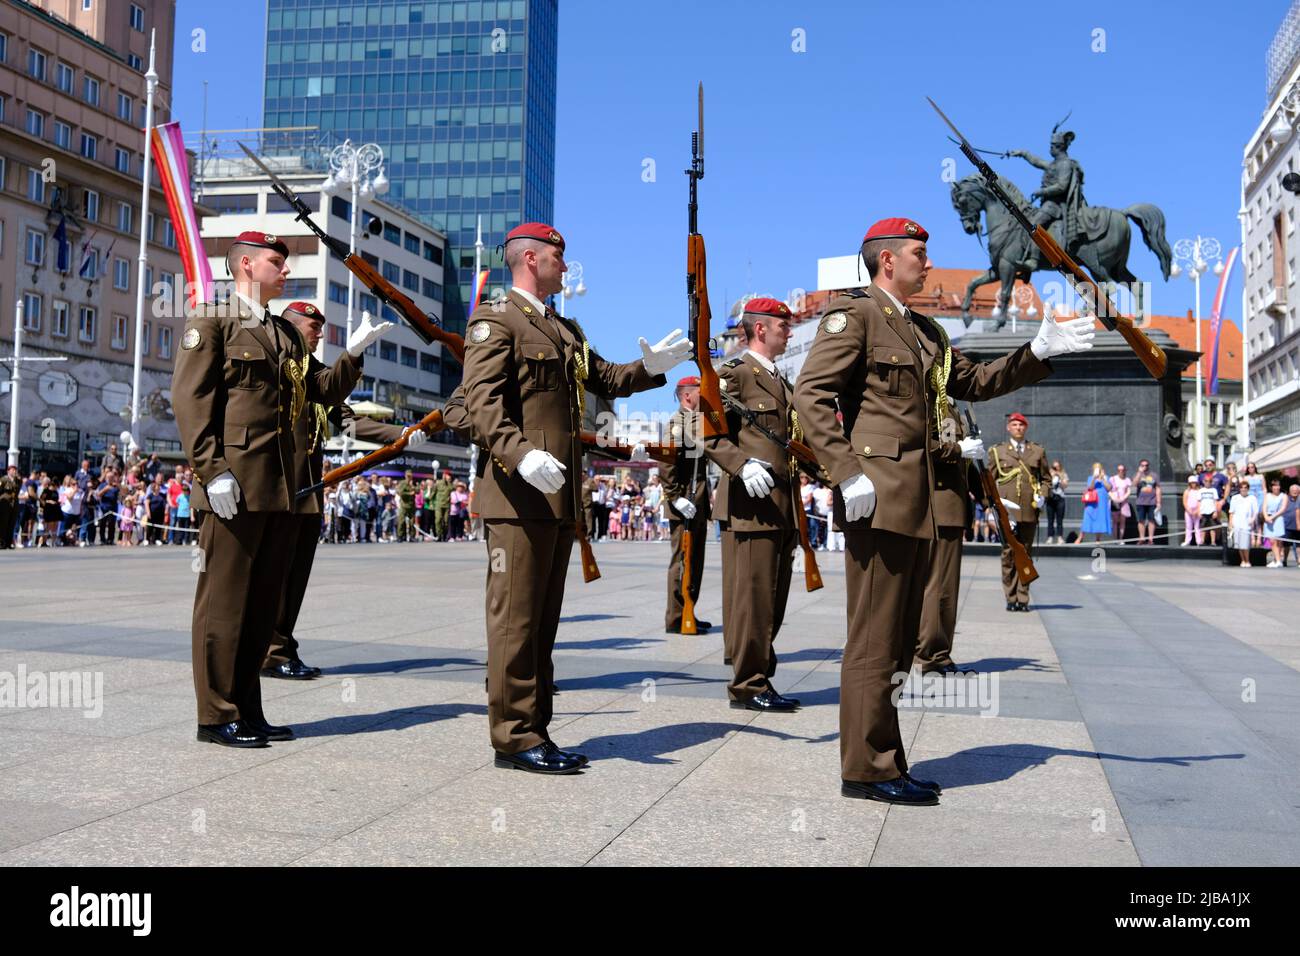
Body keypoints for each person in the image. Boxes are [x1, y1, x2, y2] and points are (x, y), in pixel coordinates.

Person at [793, 216, 1093, 805]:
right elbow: (811, 394)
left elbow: (973, 383)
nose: (927, 264)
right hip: (876, 498)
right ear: (886, 261)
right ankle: (866, 768)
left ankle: (885, 758)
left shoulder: (925, 331)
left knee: (899, 641)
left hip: (917, 502)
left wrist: (1034, 351)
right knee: (875, 640)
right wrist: (846, 470)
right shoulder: (854, 316)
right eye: (918, 254)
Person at [456, 221, 689, 774]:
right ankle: (513, 737)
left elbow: (604, 376)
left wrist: (650, 369)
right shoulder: (496, 321)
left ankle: (535, 728)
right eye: (560, 257)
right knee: (515, 619)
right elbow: (482, 403)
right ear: (531, 259)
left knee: (541, 621)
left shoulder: (564, 328)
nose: (567, 266)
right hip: (517, 495)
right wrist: (518, 452)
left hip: (557, 498)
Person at [172, 230, 386, 748]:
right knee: (224, 604)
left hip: (280, 488)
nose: (285, 270)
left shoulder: (285, 335)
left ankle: (247, 708)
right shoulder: (214, 319)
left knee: (262, 605)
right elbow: (190, 400)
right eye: (276, 261)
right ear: (246, 265)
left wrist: (353, 355)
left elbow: (321, 391)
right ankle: (215, 713)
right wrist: (211, 469)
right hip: (233, 484)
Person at [261, 301, 417, 679]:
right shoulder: (283, 369)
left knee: (296, 576)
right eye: (313, 328)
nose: (319, 335)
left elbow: (349, 423)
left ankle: (283, 645)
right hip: (282, 488)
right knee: (276, 575)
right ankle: (271, 650)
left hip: (312, 490)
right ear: (293, 327)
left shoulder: (312, 373)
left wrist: (401, 435)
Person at [702, 298, 805, 708]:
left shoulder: (783, 382)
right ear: (760, 329)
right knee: (753, 600)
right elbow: (705, 428)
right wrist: (740, 465)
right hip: (749, 505)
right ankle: (748, 685)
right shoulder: (736, 374)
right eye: (784, 326)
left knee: (773, 600)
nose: (790, 332)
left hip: (781, 504)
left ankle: (762, 674)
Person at [917, 402, 985, 672]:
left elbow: (966, 467)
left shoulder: (957, 410)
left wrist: (987, 498)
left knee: (945, 588)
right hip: (940, 507)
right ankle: (931, 654)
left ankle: (936, 651)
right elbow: (929, 448)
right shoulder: (938, 405)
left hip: (953, 507)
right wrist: (958, 448)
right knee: (938, 587)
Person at [662, 377, 713, 634]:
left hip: (698, 501)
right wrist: (675, 497)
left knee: (695, 559)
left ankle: (689, 609)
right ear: (687, 396)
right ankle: (675, 617)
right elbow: (666, 464)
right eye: (700, 393)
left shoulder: (697, 421)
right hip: (684, 501)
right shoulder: (676, 424)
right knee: (682, 560)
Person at [988, 412, 1049, 610]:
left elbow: (1046, 478)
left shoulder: (1037, 451)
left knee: (1026, 555)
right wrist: (992, 508)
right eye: (1014, 424)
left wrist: (1043, 496)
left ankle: (1023, 599)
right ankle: (1010, 597)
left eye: (1021, 425)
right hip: (1008, 512)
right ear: (1008, 428)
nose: (1018, 428)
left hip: (1029, 511)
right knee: (1008, 554)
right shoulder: (998, 452)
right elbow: (989, 480)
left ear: (1026, 428)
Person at [1228, 478, 1259, 567]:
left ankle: (1247, 560)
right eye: (1242, 487)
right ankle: (1243, 560)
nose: (1243, 489)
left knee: (1245, 544)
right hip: (1237, 523)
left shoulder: (1252, 498)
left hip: (1246, 524)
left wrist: (1252, 520)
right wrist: (1231, 523)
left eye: (1245, 487)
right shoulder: (1235, 498)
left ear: (1248, 489)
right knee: (1238, 544)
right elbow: (1231, 512)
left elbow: (1256, 511)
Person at [1132, 459, 1161, 545]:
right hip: (1140, 502)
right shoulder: (1138, 475)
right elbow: (1134, 484)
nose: (1145, 467)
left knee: (1151, 520)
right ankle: (1142, 538)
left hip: (1152, 501)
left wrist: (1159, 502)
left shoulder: (1154, 475)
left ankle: (1151, 539)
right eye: (1143, 465)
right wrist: (1139, 473)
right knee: (1141, 520)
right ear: (1140, 466)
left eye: (1146, 465)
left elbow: (1158, 488)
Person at [1080, 463, 1110, 542]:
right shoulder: (1090, 478)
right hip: (1092, 500)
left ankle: (1098, 538)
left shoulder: (1106, 477)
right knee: (1087, 517)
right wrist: (1094, 478)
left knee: (1100, 518)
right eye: (1095, 468)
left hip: (1102, 501)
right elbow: (1090, 488)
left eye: (1099, 468)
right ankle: (1081, 537)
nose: (1097, 470)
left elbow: (1109, 488)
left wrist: (1103, 478)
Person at [1263, 478, 1287, 567]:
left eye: (1277, 485)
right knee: (1272, 540)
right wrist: (1266, 517)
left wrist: (1273, 517)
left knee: (1279, 541)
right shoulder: (1267, 495)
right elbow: (1264, 507)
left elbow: (1283, 509)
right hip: (1268, 519)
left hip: (1278, 518)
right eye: (1274, 485)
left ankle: (1278, 560)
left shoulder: (1283, 496)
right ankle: (1277, 560)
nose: (1276, 487)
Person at [1045, 460, 1069, 544]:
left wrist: (1060, 476)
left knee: (1060, 519)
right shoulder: (1049, 475)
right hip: (1051, 498)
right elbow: (1046, 485)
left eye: (1057, 467)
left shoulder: (1063, 474)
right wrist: (1051, 476)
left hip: (1060, 498)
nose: (1055, 469)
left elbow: (1065, 485)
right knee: (1050, 519)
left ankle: (1060, 537)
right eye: (1053, 467)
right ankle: (1050, 537)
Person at [1243, 461, 1265, 548]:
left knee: (1258, 519)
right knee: (1251, 518)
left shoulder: (1260, 476)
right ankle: (1252, 538)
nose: (1251, 469)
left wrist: (1265, 500)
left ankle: (1259, 538)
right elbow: (1244, 489)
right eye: (1249, 467)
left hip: (1260, 498)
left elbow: (1264, 488)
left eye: (1252, 467)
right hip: (1250, 498)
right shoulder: (1246, 477)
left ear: (1255, 468)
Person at [1197, 471, 1220, 546]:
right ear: (1203, 481)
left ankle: (1213, 541)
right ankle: (1202, 541)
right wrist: (1199, 511)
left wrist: (1215, 511)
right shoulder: (1200, 491)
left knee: (1212, 527)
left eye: (1209, 481)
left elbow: (1216, 501)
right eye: (1206, 481)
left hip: (1211, 511)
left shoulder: (1213, 490)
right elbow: (1199, 502)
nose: (1208, 482)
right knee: (1203, 527)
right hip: (1203, 511)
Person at [1281, 483, 1300, 567]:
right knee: (1286, 545)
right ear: (1289, 491)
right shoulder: (1286, 499)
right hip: (1287, 526)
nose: (1294, 492)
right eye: (1293, 491)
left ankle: (1299, 560)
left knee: (1299, 545)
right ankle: (1285, 559)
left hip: (1298, 527)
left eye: (1296, 491)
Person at [0, 464, 18, 549]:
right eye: (12, 470)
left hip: (14, 504)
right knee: (3, 523)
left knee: (12, 523)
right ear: (8, 471)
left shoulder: (17, 480)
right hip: (5, 505)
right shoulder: (3, 479)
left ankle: (9, 542)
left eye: (15, 470)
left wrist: (17, 478)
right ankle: (1, 542)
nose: (14, 471)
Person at [1182, 475, 1203, 546]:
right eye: (1192, 483)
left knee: (1197, 526)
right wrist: (1189, 510)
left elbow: (1200, 501)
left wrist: (1197, 510)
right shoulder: (1187, 491)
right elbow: (1184, 502)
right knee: (1188, 526)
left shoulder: (1199, 491)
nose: (1193, 484)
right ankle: (1187, 541)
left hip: (1197, 511)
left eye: (1194, 483)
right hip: (1188, 511)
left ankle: (1199, 541)